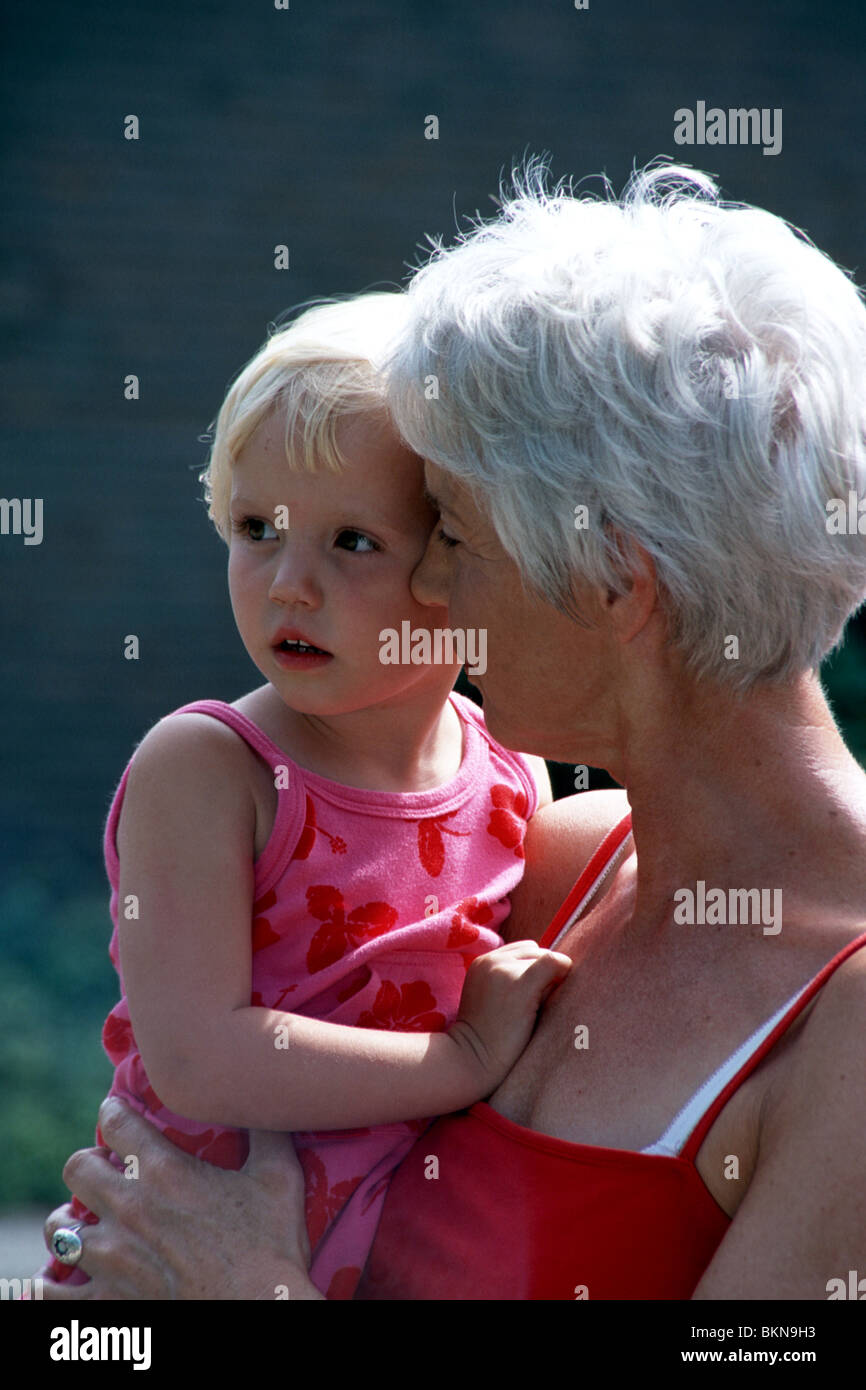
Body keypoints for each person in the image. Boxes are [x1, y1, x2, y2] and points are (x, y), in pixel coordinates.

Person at [40, 163, 866, 1300]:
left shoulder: (846, 1022)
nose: (431, 588)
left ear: (612, 581)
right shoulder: (562, 854)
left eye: (454, 536)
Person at [41, 291, 564, 1301]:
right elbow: (196, 1058)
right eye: (255, 527)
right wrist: (457, 1060)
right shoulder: (208, 768)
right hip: (151, 1275)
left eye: (351, 542)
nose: (288, 583)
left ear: (461, 560)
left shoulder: (512, 778)